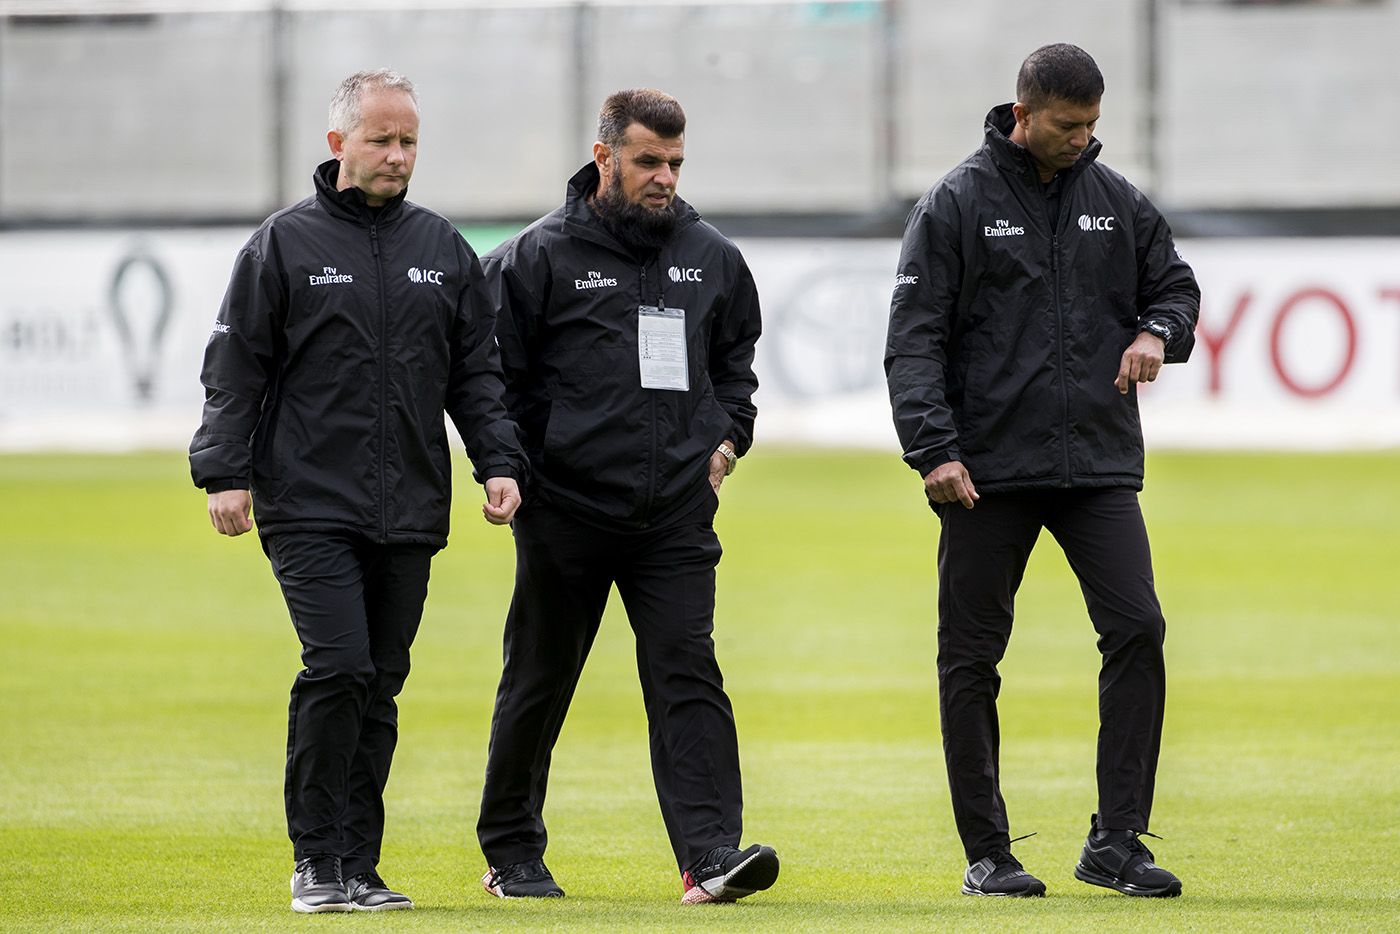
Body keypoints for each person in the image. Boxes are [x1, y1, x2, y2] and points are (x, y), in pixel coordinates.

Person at [189, 69, 528, 914]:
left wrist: (498, 459)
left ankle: (359, 866)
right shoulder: (282, 246)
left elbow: (477, 374)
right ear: (339, 142)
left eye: (409, 141)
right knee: (337, 666)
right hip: (307, 500)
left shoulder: (442, 250)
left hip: (410, 504)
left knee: (380, 681)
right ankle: (315, 861)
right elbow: (236, 368)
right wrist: (224, 470)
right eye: (382, 139)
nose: (398, 155)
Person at [885, 44, 1199, 899]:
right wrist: (933, 450)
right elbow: (913, 339)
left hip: (1096, 464)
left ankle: (1116, 843)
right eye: (1068, 126)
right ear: (1022, 115)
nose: (1083, 140)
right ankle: (988, 852)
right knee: (972, 661)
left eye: (1094, 126)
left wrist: (1156, 332)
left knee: (1138, 628)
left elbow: (1176, 287)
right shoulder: (954, 203)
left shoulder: (1115, 199)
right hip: (985, 470)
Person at [474, 88, 777, 905]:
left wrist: (727, 437)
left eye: (676, 162)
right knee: (540, 679)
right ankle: (511, 853)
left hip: (675, 513)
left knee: (689, 672)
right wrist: (507, 467)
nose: (665, 178)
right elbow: (487, 379)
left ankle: (710, 856)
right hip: (565, 510)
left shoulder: (710, 256)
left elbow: (737, 362)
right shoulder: (534, 258)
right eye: (648, 160)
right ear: (604, 156)